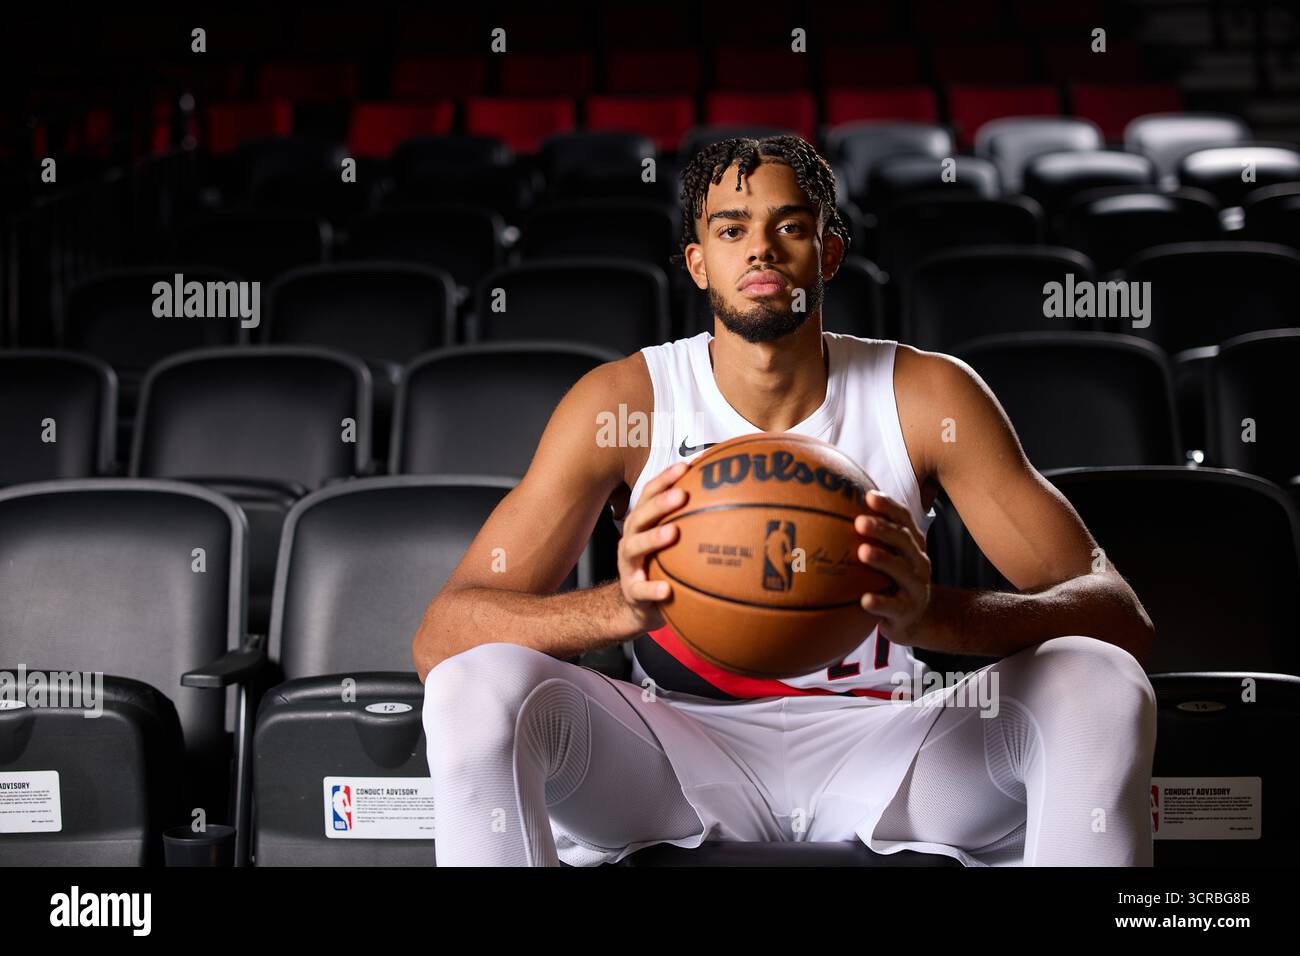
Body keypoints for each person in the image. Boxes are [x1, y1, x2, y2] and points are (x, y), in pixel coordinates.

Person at [412, 135, 1157, 867]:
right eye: (731, 230)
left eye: (790, 226)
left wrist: (931, 616)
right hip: (673, 753)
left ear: (828, 255)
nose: (760, 250)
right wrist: (619, 610)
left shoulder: (928, 395)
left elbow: (1119, 616)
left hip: (888, 749)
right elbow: (440, 639)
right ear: (700, 265)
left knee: (1100, 681)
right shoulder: (625, 402)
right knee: (470, 687)